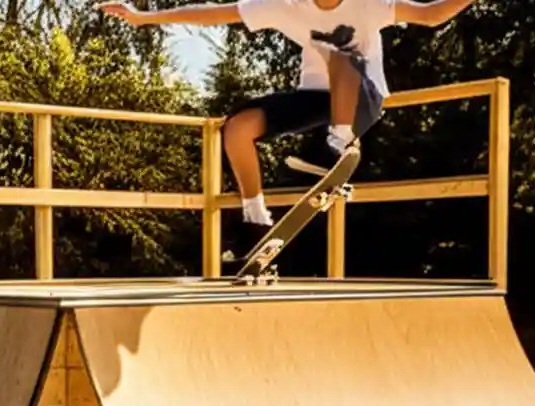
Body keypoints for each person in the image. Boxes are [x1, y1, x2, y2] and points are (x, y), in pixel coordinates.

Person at [97, 0, 478, 258]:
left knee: (339, 54)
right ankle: (256, 219)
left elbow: (430, 14)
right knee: (238, 128)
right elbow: (215, 13)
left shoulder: (369, 3)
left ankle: (337, 145)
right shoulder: (284, 5)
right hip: (315, 98)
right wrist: (144, 18)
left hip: (363, 97)